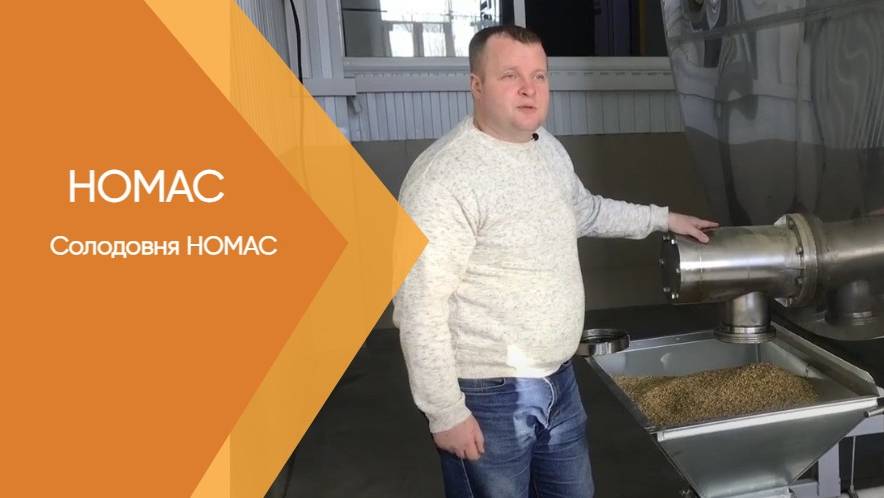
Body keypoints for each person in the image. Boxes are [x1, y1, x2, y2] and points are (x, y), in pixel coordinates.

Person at [392, 25, 717, 498]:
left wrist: (663, 219)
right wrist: (446, 413)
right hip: (487, 394)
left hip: (558, 380)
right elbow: (419, 307)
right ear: (476, 85)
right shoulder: (443, 179)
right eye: (510, 75)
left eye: (539, 76)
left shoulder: (546, 147)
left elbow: (586, 211)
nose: (529, 88)